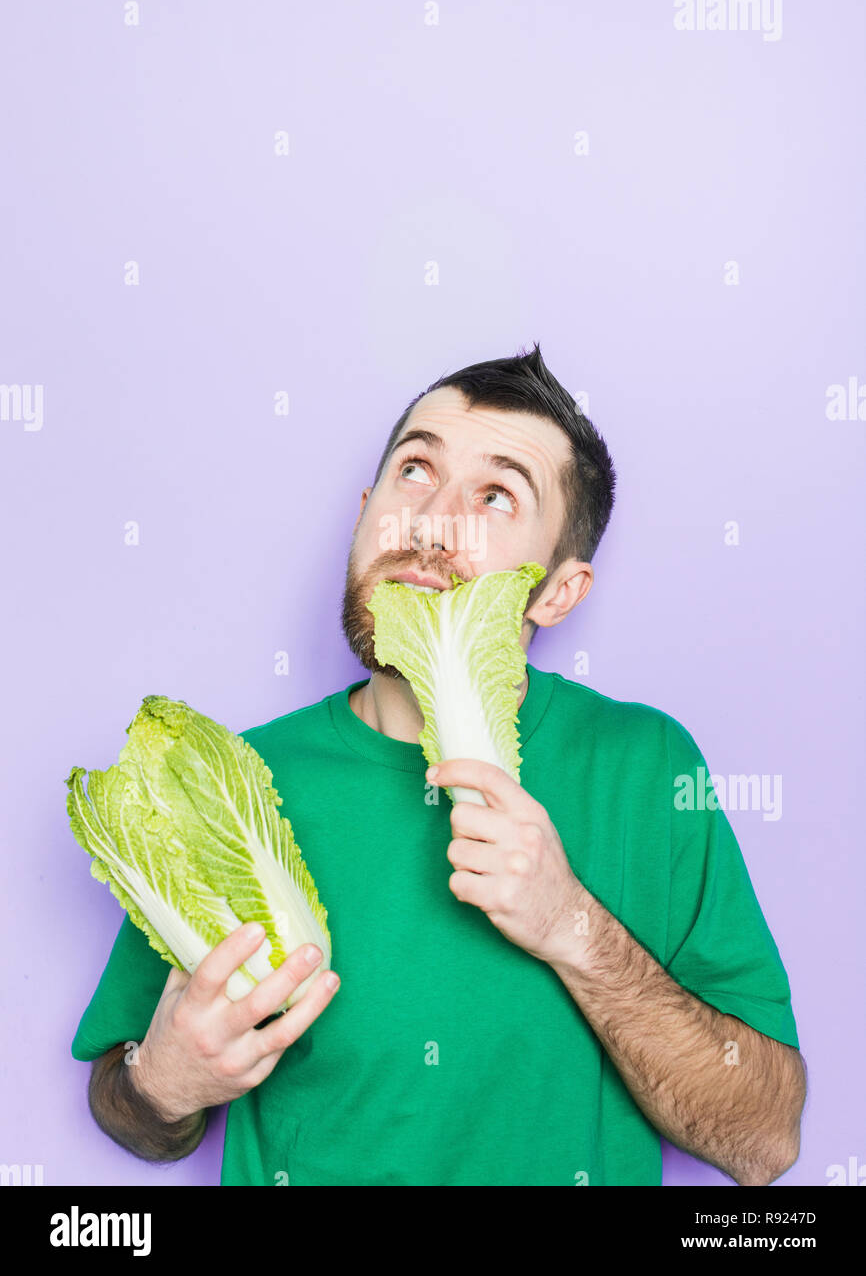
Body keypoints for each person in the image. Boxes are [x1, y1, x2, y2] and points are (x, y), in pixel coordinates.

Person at [71, 344, 806, 1186]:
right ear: (364, 512)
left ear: (559, 592)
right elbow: (125, 1107)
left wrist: (571, 926)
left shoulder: (645, 765)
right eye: (414, 471)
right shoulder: (231, 779)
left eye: (496, 496)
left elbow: (764, 1139)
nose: (431, 523)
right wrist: (163, 1084)